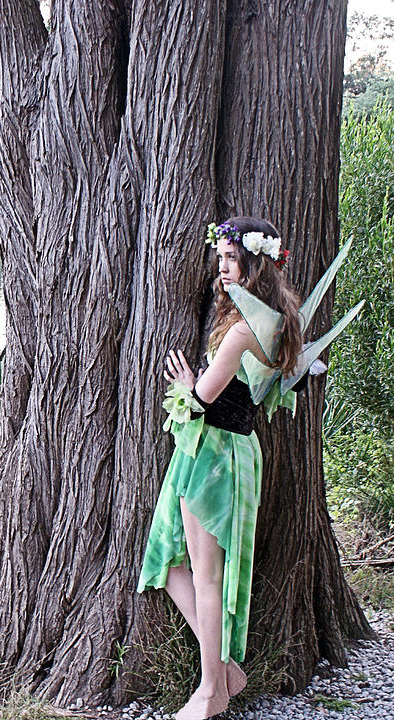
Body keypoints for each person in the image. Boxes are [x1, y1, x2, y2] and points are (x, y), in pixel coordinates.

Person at [136, 216, 304, 720]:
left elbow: (203, 396)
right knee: (173, 564)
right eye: (222, 258)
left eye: (233, 259)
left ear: (256, 265)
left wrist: (189, 379)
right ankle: (226, 669)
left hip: (215, 456)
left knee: (202, 575)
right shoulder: (277, 321)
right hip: (233, 451)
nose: (223, 268)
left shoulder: (242, 332)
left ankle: (211, 691)